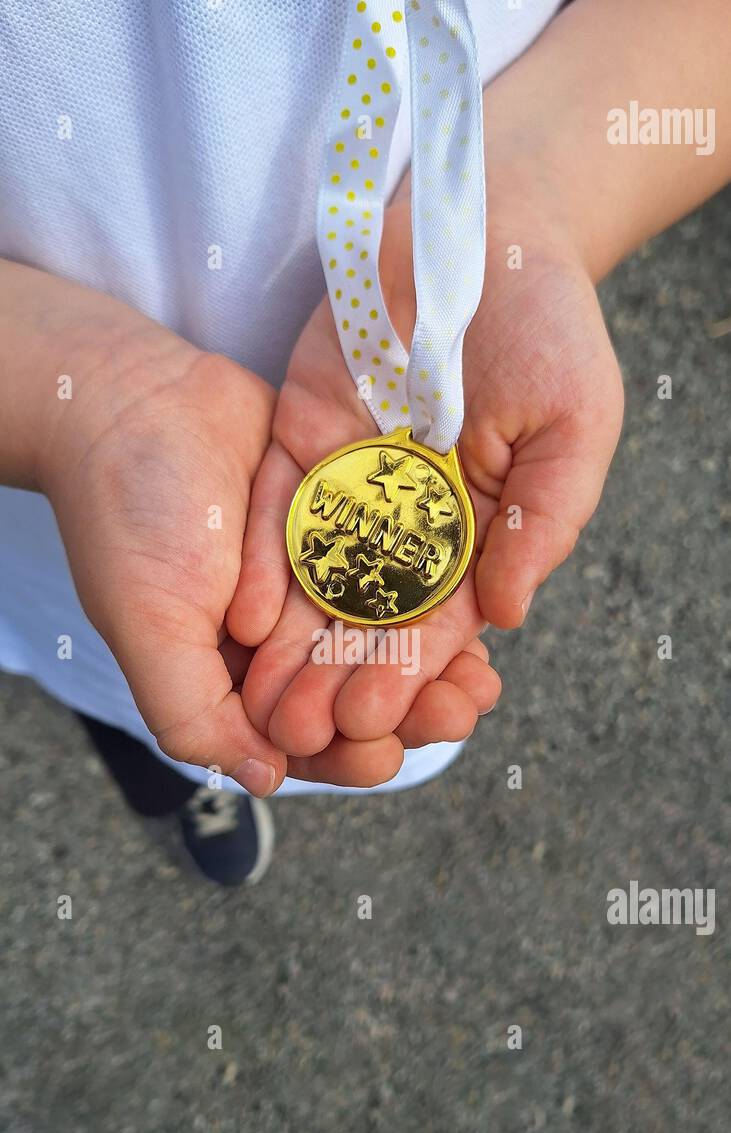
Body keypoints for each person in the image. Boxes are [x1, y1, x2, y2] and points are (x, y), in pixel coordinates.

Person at [1, 0, 728, 884]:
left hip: (434, 285)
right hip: (56, 487)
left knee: (213, 679)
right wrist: (64, 394)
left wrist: (534, 204)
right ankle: (161, 769)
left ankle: (180, 763)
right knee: (110, 665)